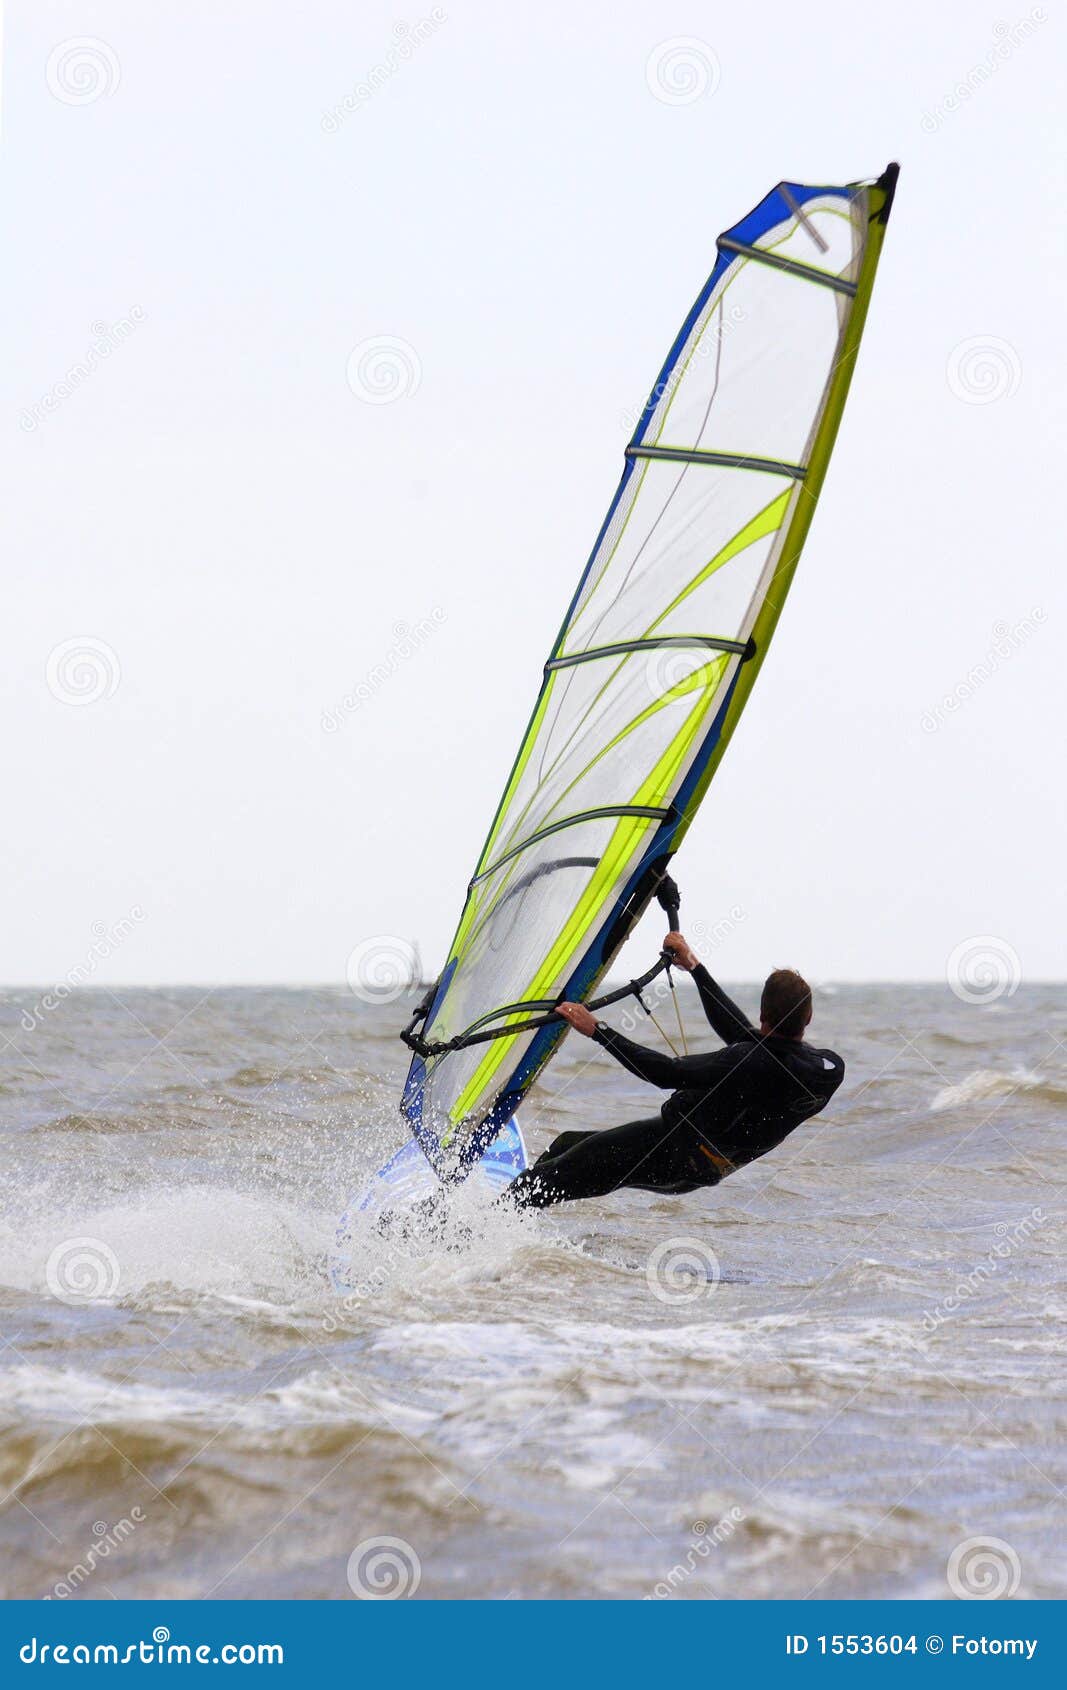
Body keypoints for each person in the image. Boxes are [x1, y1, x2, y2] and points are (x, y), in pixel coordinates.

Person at [502, 934, 844, 1210]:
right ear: (808, 1019)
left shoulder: (749, 1062)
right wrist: (694, 968)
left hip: (666, 1151)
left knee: (539, 1183)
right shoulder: (827, 1070)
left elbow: (665, 1073)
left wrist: (597, 1029)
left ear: (762, 1013)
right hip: (704, 1170)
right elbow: (744, 1036)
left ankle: (466, 1237)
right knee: (566, 1148)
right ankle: (518, 1230)